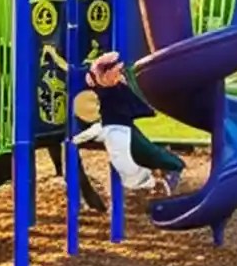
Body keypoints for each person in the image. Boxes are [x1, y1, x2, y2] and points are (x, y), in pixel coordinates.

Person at [72, 52, 182, 194]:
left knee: (138, 148)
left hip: (116, 123)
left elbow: (131, 102)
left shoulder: (118, 86)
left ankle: (169, 168)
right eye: (116, 72)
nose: (118, 76)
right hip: (109, 121)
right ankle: (164, 170)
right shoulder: (93, 80)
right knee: (134, 150)